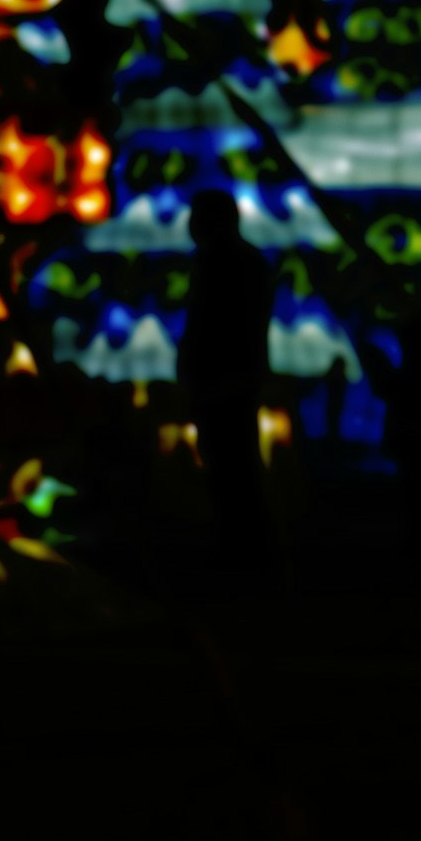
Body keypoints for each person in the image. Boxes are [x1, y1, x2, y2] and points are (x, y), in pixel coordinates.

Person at [179, 186, 278, 584]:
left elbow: (216, 326)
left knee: (231, 467)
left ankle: (242, 552)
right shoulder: (244, 261)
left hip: (225, 381)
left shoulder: (222, 263)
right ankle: (245, 549)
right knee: (234, 466)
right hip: (233, 380)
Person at [355, 302, 421, 560]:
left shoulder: (416, 374)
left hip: (413, 437)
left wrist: (373, 360)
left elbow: (389, 388)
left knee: (417, 492)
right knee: (420, 492)